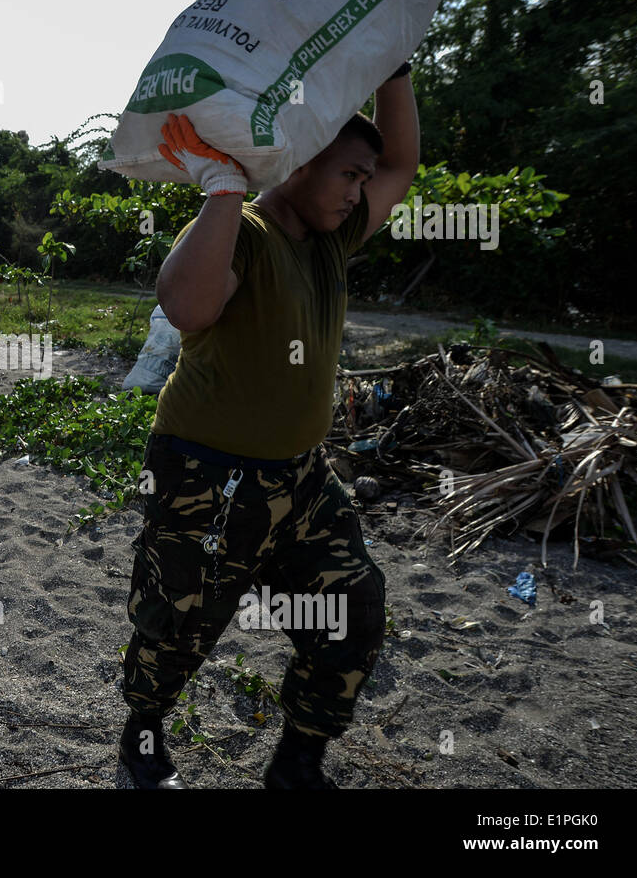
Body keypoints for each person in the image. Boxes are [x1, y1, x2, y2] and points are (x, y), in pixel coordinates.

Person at [117, 63, 420, 789]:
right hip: (206, 478)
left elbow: (403, 163)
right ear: (301, 156)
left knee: (352, 605)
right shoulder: (245, 231)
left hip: (303, 480)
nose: (357, 193)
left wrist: (395, 61)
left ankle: (297, 764)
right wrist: (223, 190)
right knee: (178, 627)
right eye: (348, 174)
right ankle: (144, 741)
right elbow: (187, 308)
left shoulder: (331, 241)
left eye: (361, 180)